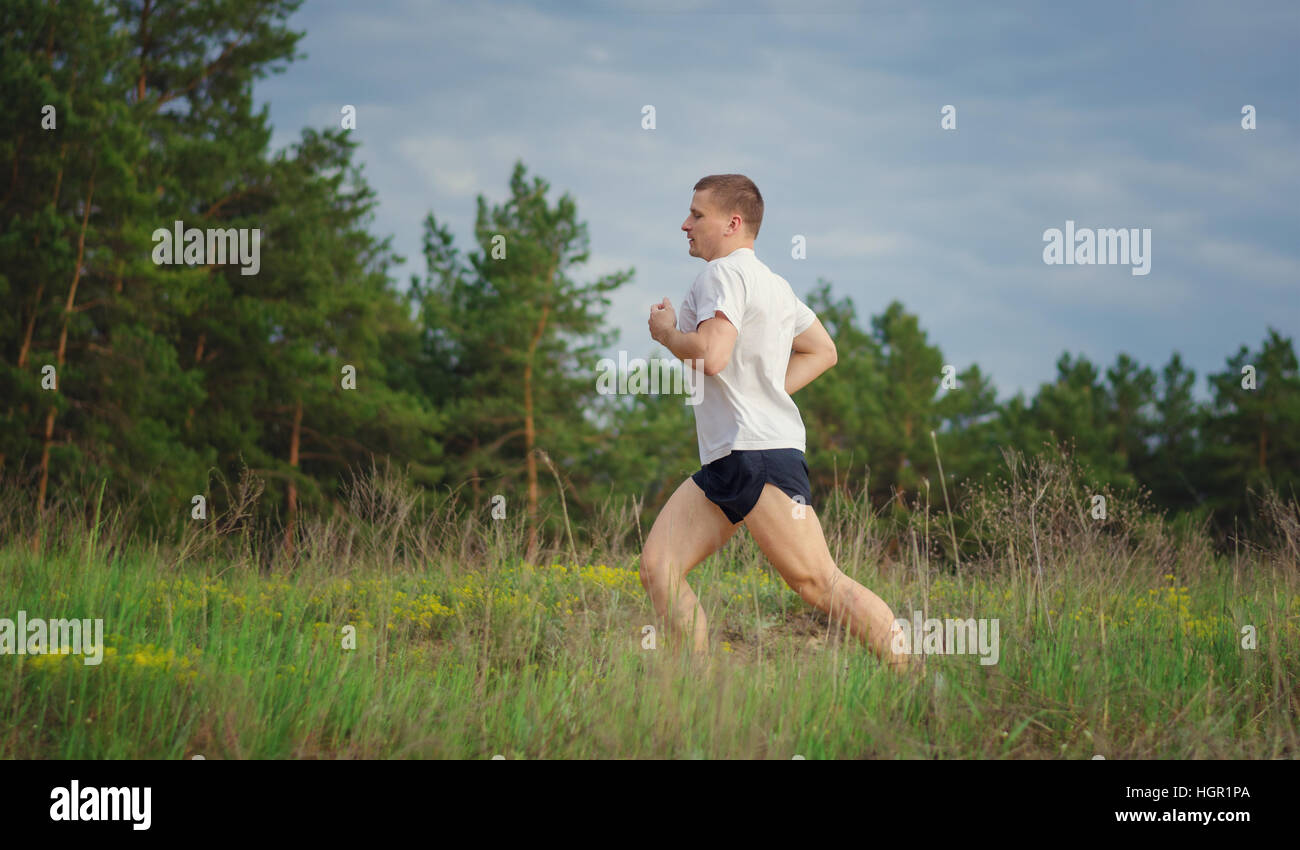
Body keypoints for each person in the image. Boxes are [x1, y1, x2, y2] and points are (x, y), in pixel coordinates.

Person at [641, 174, 911, 672]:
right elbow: (823, 350)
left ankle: (916, 681)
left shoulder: (719, 275)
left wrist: (665, 334)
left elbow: (713, 355)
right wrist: (763, 391)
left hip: (755, 456)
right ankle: (693, 698)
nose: (685, 224)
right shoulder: (775, 285)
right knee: (660, 567)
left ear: (733, 223)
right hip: (730, 458)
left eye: (697, 215)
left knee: (818, 582)